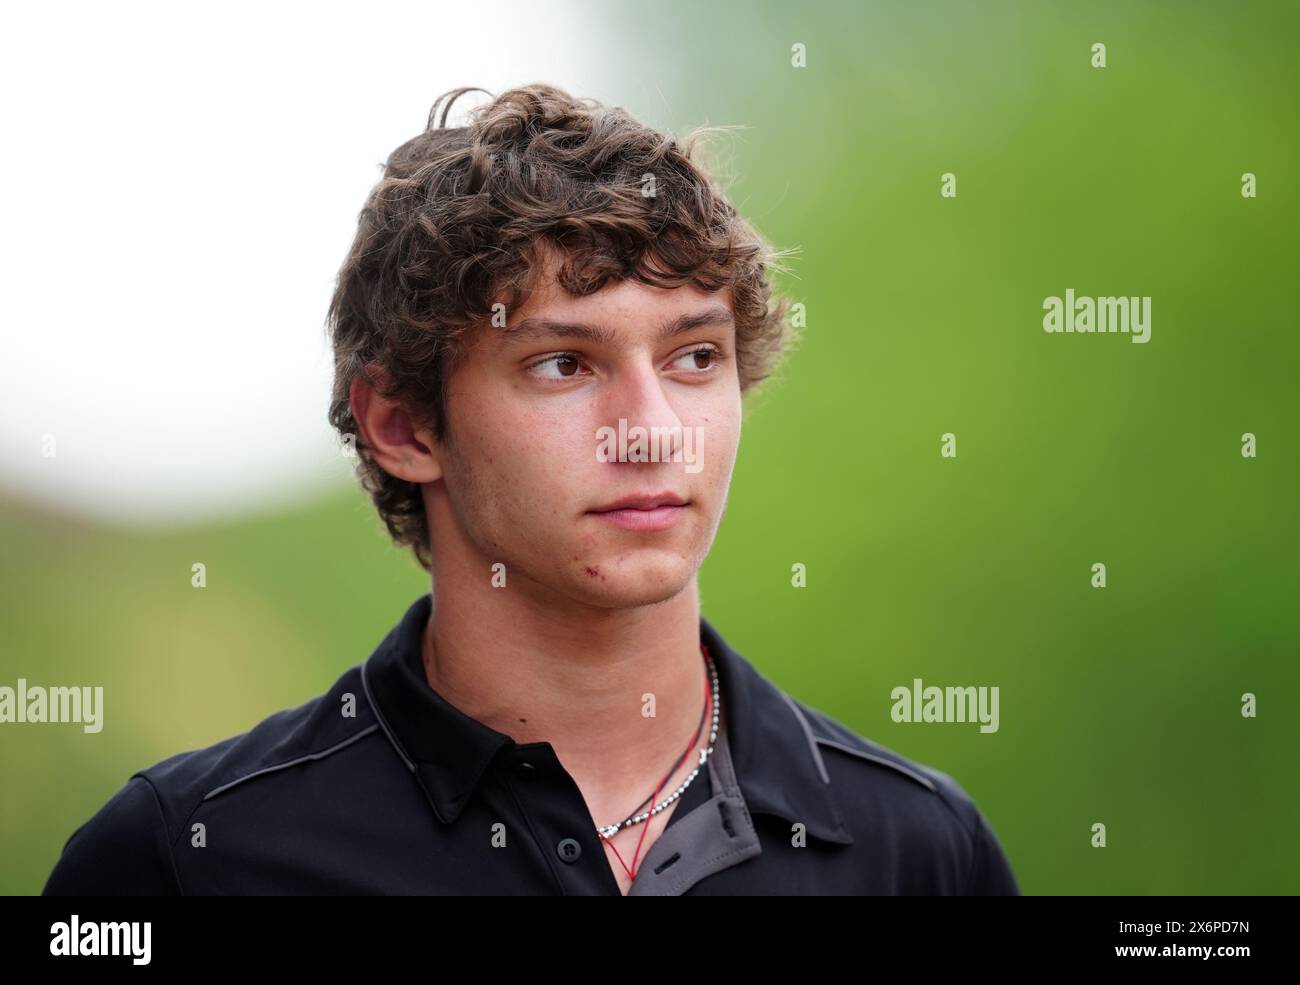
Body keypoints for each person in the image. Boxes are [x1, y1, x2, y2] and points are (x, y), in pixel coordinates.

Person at [43, 83, 1018, 895]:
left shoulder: (919, 851)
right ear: (404, 424)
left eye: (692, 356)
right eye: (562, 364)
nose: (651, 429)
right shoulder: (185, 860)